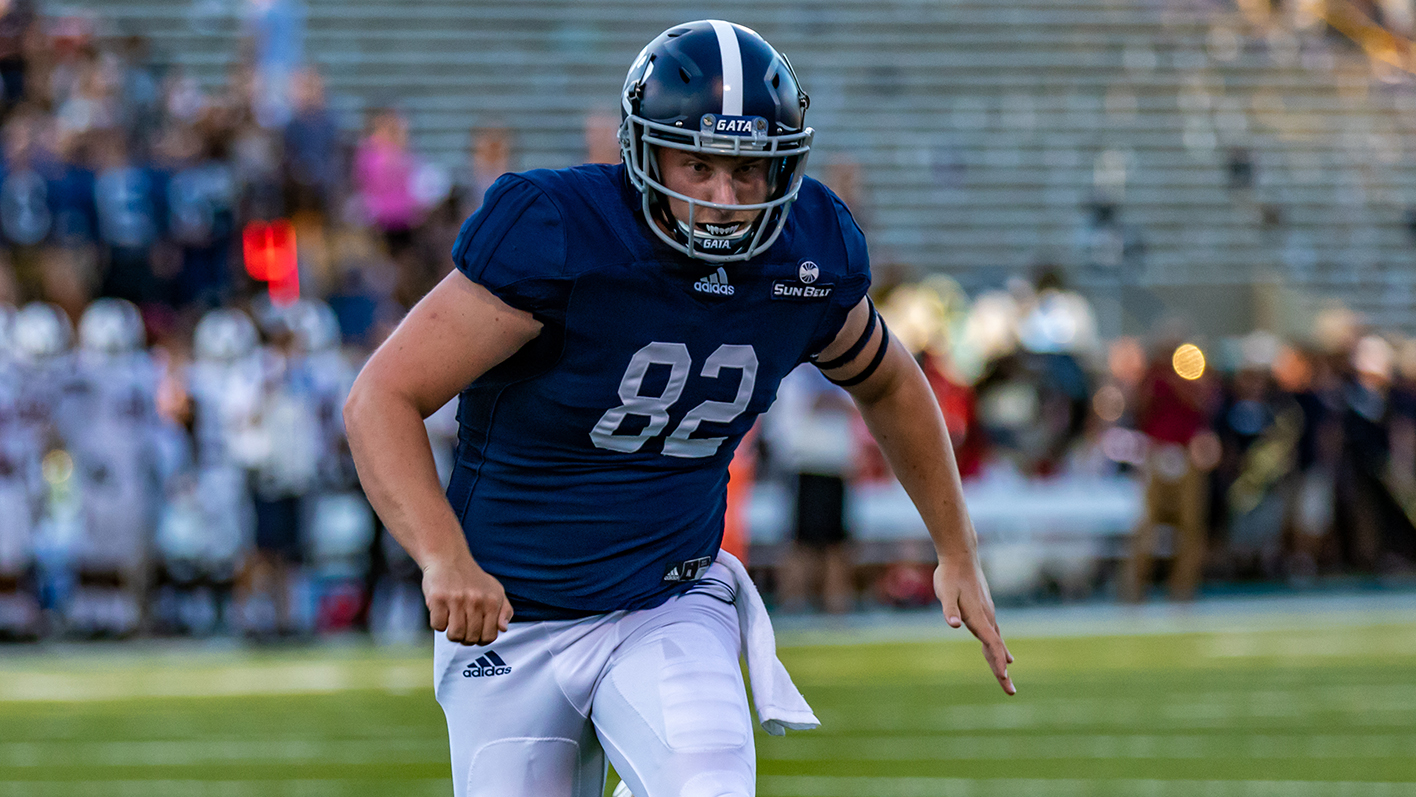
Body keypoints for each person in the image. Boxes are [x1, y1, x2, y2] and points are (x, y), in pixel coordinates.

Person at [344, 20, 1013, 797]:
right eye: (697, 165)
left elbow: (890, 381)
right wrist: (443, 556)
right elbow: (381, 397)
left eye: (749, 170)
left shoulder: (804, 255)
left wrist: (956, 549)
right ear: (644, 150)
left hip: (667, 597)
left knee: (707, 780)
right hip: (511, 616)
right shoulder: (561, 233)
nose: (724, 199)